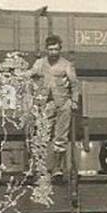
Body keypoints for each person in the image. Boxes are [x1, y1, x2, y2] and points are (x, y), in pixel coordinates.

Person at [28, 34, 79, 177]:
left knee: (61, 137)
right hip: (46, 104)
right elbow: (30, 75)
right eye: (50, 49)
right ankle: (38, 167)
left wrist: (74, 101)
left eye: (56, 49)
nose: (53, 52)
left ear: (60, 49)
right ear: (46, 49)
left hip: (63, 104)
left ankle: (57, 168)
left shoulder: (66, 65)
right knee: (42, 135)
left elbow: (75, 84)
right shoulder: (39, 63)